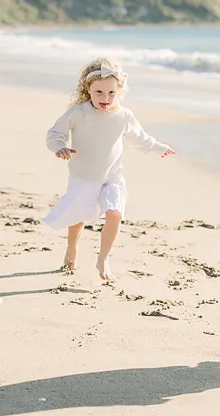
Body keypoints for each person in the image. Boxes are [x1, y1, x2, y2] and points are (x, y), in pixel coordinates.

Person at [44, 58, 175, 280]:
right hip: (83, 176)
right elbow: (55, 133)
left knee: (115, 213)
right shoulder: (78, 113)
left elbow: (140, 138)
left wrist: (158, 147)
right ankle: (71, 251)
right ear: (88, 89)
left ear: (120, 91)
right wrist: (59, 147)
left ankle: (103, 258)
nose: (105, 98)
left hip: (112, 176)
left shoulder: (124, 116)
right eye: (99, 92)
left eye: (111, 93)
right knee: (77, 219)